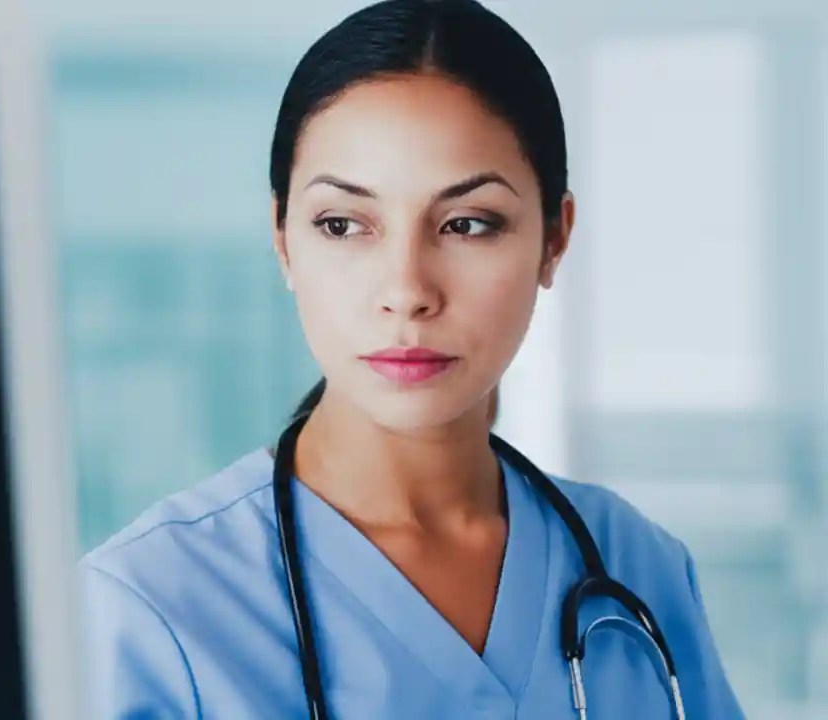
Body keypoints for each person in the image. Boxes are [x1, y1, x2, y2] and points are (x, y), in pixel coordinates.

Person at [78, 1, 746, 717]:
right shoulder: (150, 606)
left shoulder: (638, 566)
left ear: (554, 238)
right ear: (282, 238)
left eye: (467, 224)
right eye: (343, 224)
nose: (406, 291)